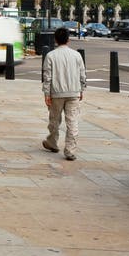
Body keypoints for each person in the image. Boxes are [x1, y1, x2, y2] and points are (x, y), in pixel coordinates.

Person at [42, 26, 86, 160]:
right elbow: (82, 74)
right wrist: (81, 89)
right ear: (68, 39)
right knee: (72, 121)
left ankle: (53, 142)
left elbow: (47, 77)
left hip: (56, 92)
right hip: (74, 92)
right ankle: (70, 150)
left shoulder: (50, 56)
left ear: (55, 39)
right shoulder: (77, 55)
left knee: (54, 120)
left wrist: (46, 94)